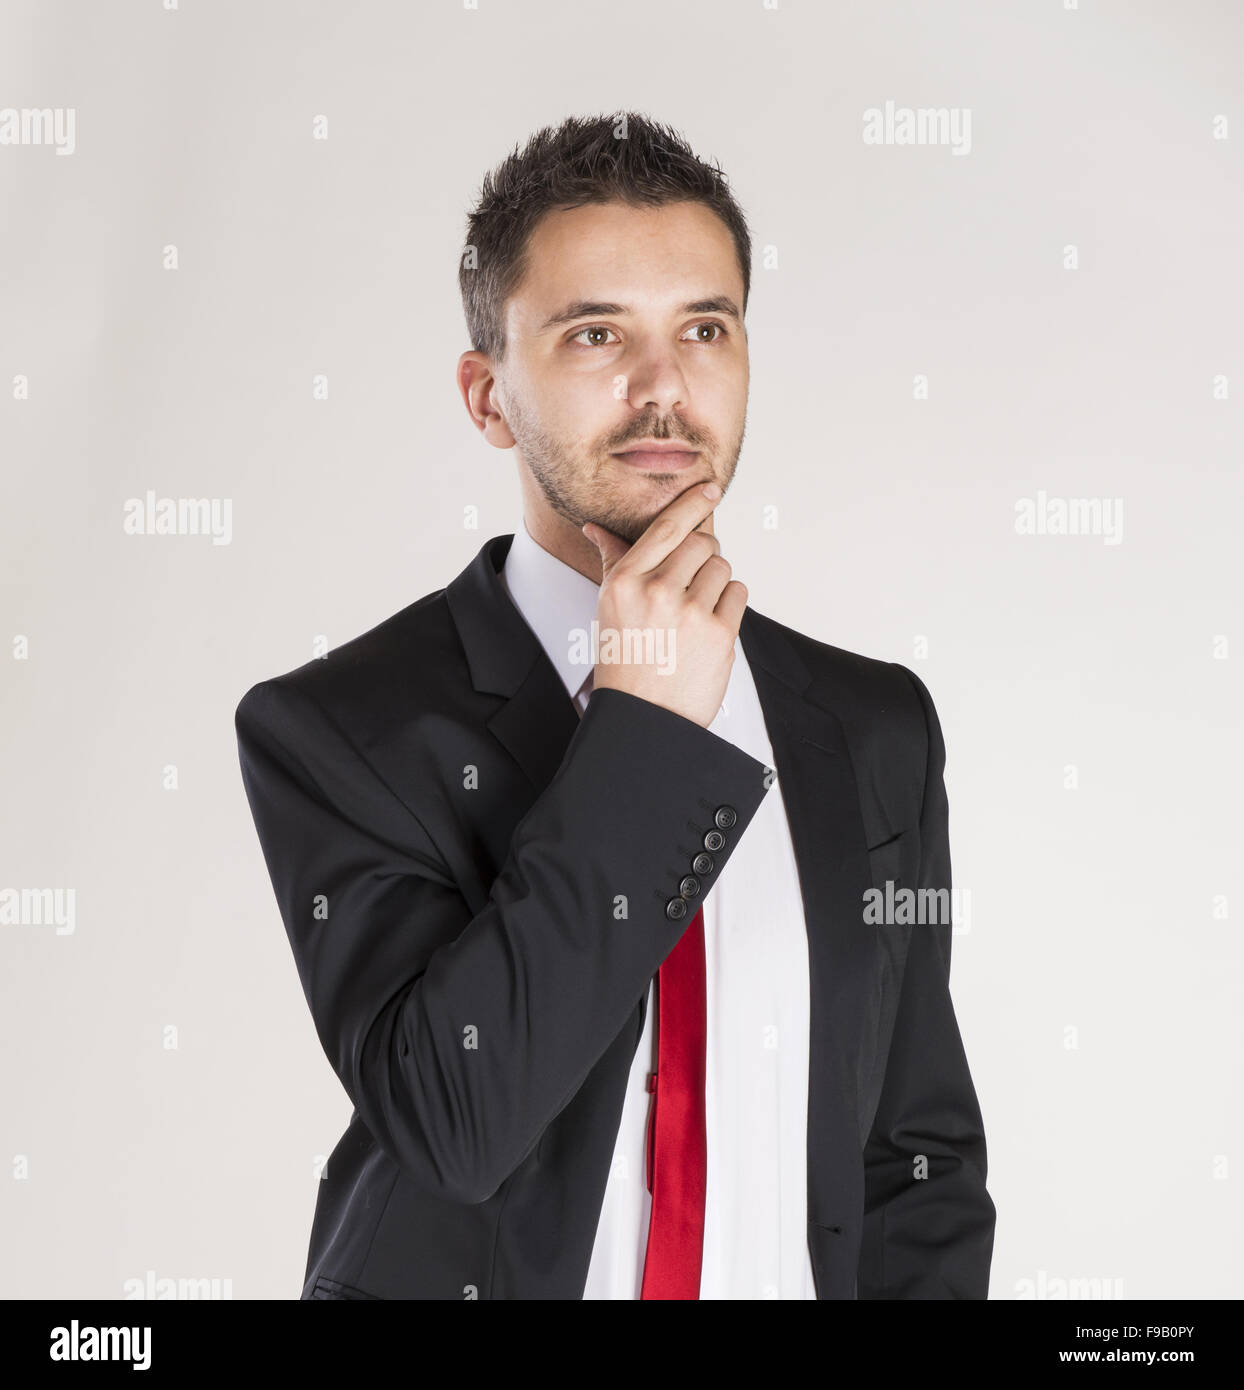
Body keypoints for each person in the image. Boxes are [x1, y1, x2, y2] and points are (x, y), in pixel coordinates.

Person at [234, 111, 995, 1300]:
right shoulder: (341, 730)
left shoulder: (873, 726)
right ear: (488, 398)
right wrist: (642, 732)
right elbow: (455, 1122)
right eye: (596, 333)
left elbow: (915, 1158)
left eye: (705, 327)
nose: (663, 388)